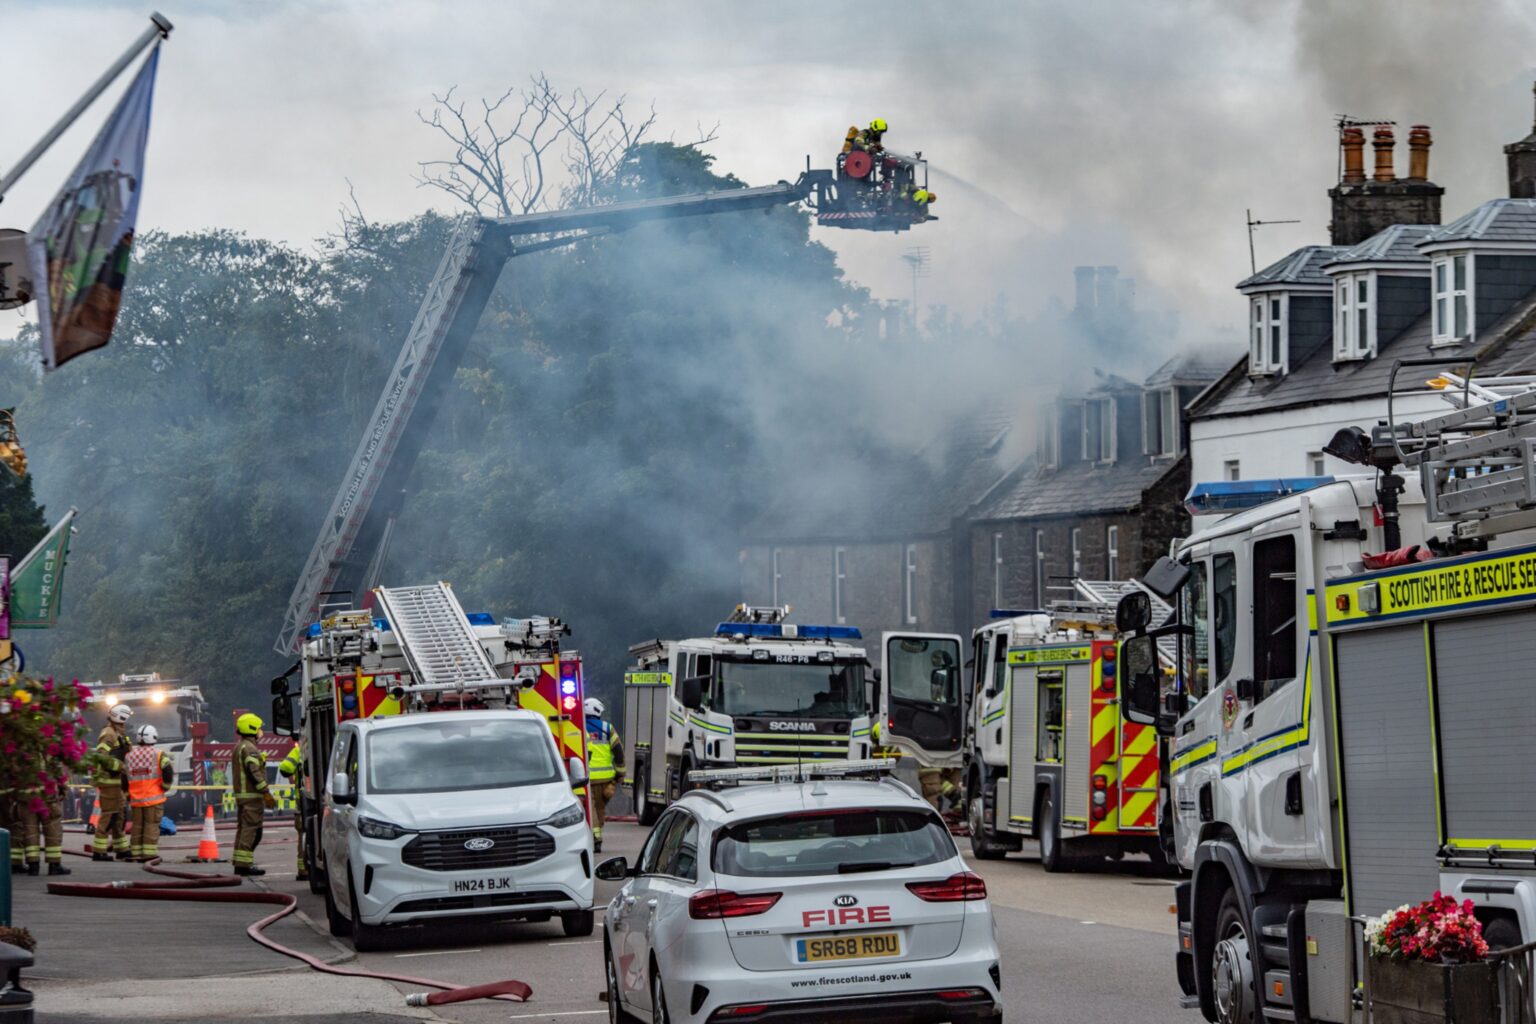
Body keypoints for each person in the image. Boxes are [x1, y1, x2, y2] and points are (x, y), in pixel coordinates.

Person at [229, 713, 276, 877]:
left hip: (243, 797)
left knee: (243, 830)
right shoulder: (250, 748)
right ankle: (244, 866)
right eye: (259, 728)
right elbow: (254, 772)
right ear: (252, 728)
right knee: (252, 831)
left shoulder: (240, 746)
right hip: (252, 798)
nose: (260, 731)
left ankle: (240, 863)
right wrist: (266, 792)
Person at [124, 724, 174, 862]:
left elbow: (124, 777)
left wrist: (127, 794)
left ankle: (136, 853)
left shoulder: (129, 756)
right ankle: (149, 854)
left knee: (137, 827)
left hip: (135, 800)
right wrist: (165, 786)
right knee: (151, 826)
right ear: (154, 737)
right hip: (153, 799)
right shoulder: (158, 754)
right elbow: (168, 770)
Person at [91, 703, 134, 861]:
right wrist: (120, 766)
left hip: (117, 783)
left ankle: (121, 848)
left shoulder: (119, 734)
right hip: (109, 783)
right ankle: (99, 851)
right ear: (120, 718)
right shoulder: (108, 734)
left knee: (119, 817)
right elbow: (102, 756)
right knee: (109, 816)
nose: (126, 723)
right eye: (125, 720)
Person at [582, 698, 624, 853]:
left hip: (585, 779)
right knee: (599, 809)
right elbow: (618, 751)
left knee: (591, 809)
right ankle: (597, 837)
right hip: (607, 779)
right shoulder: (608, 728)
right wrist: (620, 773)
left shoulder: (579, 727)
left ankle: (595, 838)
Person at [277, 742, 307, 881]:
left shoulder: (299, 750)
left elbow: (285, 768)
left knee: (304, 835)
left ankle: (304, 870)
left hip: (305, 800)